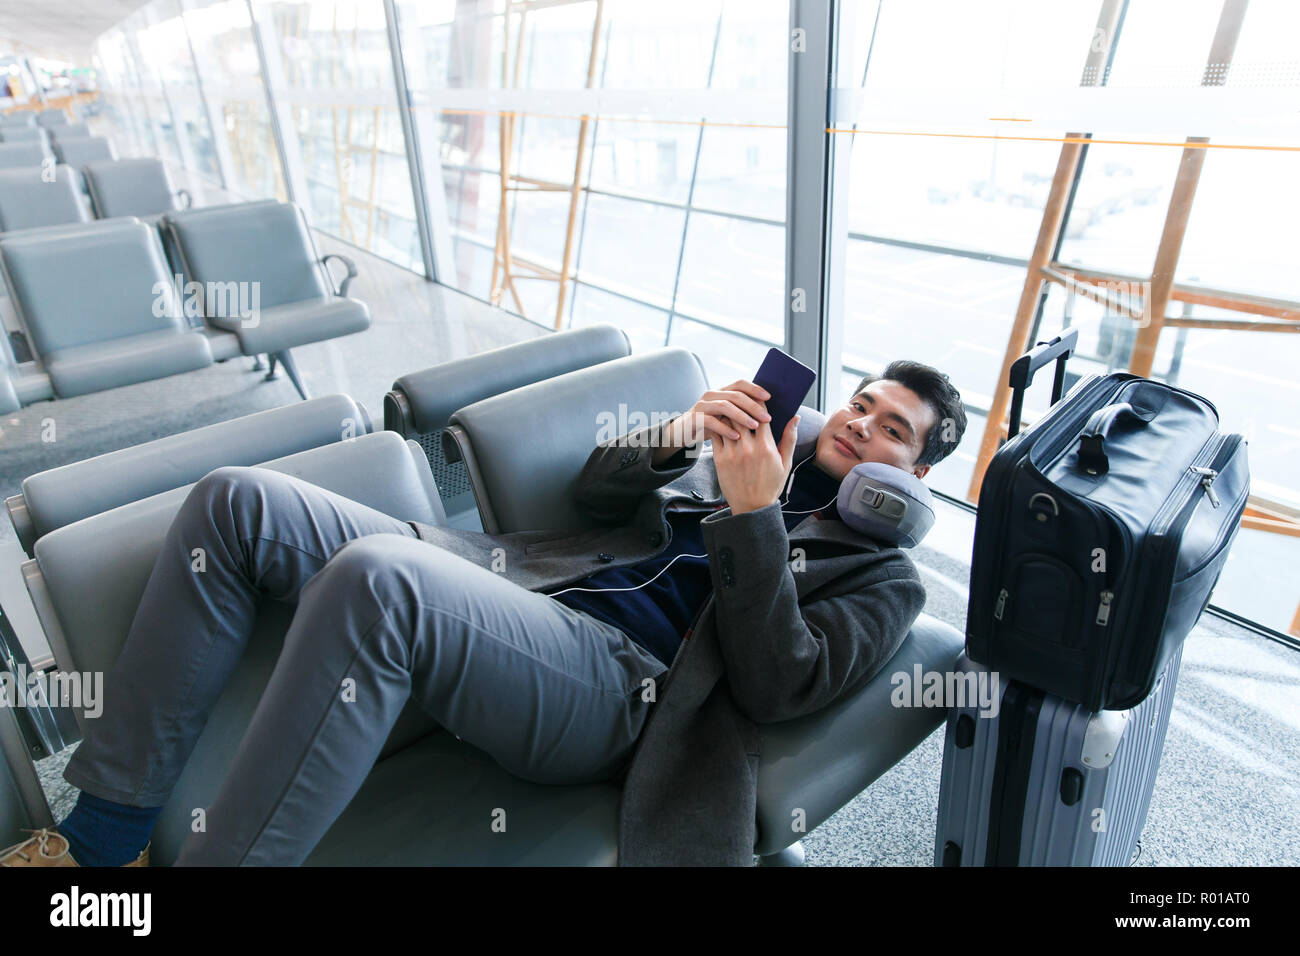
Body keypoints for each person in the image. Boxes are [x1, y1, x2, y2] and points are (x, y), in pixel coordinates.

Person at [0, 359, 966, 868]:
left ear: (915, 479)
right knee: (235, 502)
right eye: (862, 403)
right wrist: (682, 436)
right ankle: (102, 841)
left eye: (893, 431)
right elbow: (595, 497)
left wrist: (754, 519)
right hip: (519, 588)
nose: (860, 424)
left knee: (379, 581)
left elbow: (779, 680)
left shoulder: (886, 578)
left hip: (621, 688)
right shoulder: (757, 456)